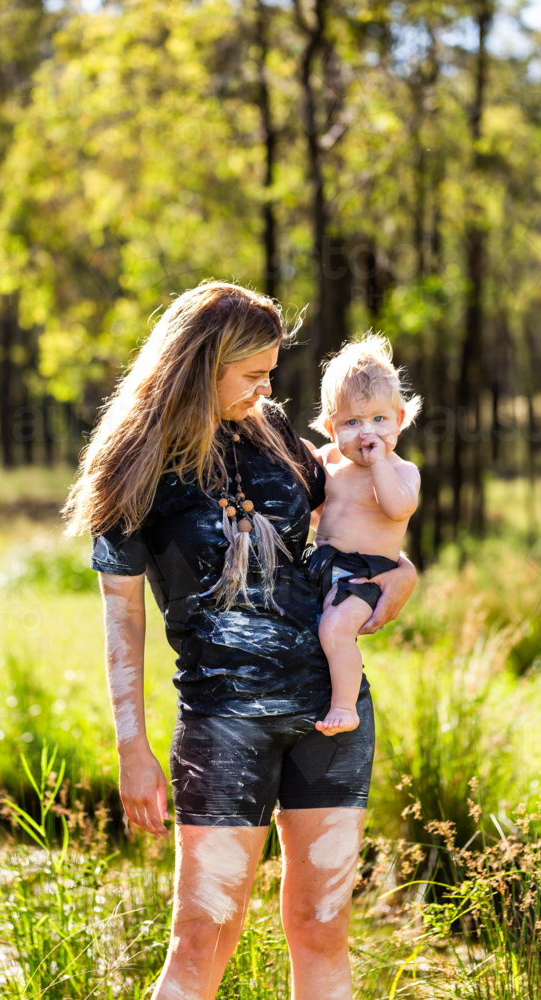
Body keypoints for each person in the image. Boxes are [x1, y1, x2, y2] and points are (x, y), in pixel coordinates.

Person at [62, 282, 417, 1000]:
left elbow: (353, 513)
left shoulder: (272, 429)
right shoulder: (132, 465)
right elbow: (121, 617)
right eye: (251, 374)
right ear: (202, 364)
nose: (264, 390)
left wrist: (397, 572)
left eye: (270, 374)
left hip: (329, 714)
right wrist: (131, 746)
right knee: (200, 937)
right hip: (222, 722)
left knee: (322, 931)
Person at [305, 336, 422, 737]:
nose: (366, 433)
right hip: (321, 565)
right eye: (351, 423)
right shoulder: (330, 460)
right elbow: (302, 476)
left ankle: (344, 707)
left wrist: (378, 466)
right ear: (330, 427)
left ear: (400, 419)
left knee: (335, 629)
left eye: (378, 420)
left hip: (364, 577)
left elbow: (398, 509)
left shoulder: (401, 471)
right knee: (312, 627)